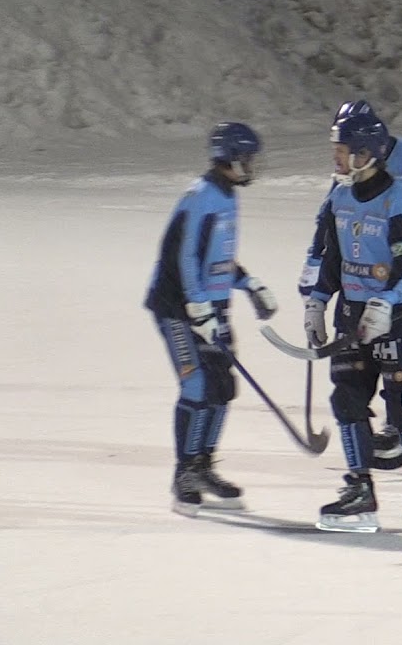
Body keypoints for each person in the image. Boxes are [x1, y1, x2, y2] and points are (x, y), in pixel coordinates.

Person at [305, 113, 402, 534]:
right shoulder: (339, 197)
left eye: (342, 151)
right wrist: (317, 301)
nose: (336, 159)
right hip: (352, 317)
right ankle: (360, 489)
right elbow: (332, 257)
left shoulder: (398, 200)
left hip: (398, 319)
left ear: (365, 154)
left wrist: (387, 302)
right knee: (346, 399)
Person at [145, 122, 278, 516]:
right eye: (247, 158)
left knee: (221, 386)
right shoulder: (202, 196)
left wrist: (249, 283)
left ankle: (203, 465)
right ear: (230, 158)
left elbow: (216, 259)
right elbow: (186, 257)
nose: (252, 166)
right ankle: (184, 474)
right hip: (177, 307)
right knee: (197, 385)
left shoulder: (227, 195)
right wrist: (197, 307)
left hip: (210, 306)